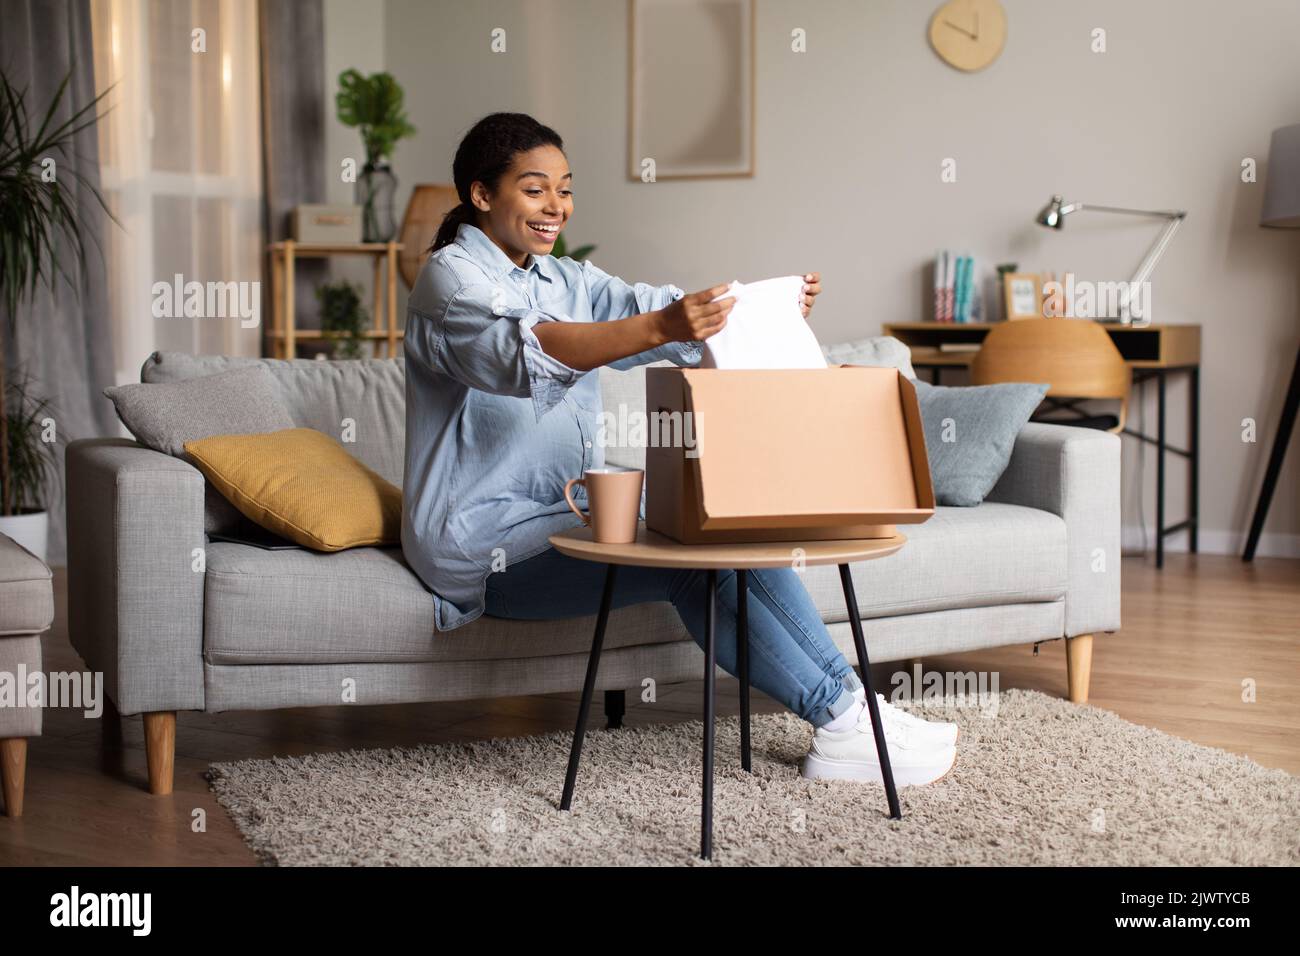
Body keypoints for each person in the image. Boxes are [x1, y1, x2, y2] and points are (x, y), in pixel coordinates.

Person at [401, 112, 958, 786]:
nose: (557, 208)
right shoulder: (450, 282)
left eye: (566, 190)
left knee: (724, 532)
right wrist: (661, 324)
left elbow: (650, 308)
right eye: (536, 189)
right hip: (482, 543)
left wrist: (755, 306)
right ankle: (843, 720)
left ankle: (853, 713)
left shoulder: (563, 279)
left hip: (562, 521)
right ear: (482, 195)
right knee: (689, 562)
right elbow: (535, 352)